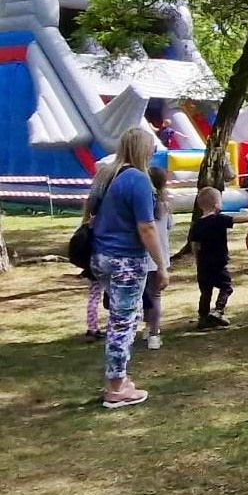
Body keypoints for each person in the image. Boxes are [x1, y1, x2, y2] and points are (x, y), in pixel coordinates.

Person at [87, 128, 168, 408]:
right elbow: (146, 227)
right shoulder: (138, 180)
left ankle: (119, 377)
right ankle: (116, 387)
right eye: (152, 149)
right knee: (123, 323)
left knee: (124, 319)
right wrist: (161, 265)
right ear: (144, 150)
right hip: (125, 259)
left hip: (102, 256)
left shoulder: (108, 175)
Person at [188, 187, 248, 329]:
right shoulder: (218, 219)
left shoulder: (197, 224)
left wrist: (197, 259)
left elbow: (194, 245)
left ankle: (203, 318)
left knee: (205, 292)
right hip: (218, 262)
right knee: (226, 287)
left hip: (203, 264)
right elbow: (235, 219)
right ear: (216, 205)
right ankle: (218, 310)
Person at [141, 167, 174, 351]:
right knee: (155, 296)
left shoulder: (144, 206)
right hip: (159, 257)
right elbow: (169, 226)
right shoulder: (165, 205)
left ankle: (149, 328)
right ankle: (154, 332)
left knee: (146, 295)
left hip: (144, 256)